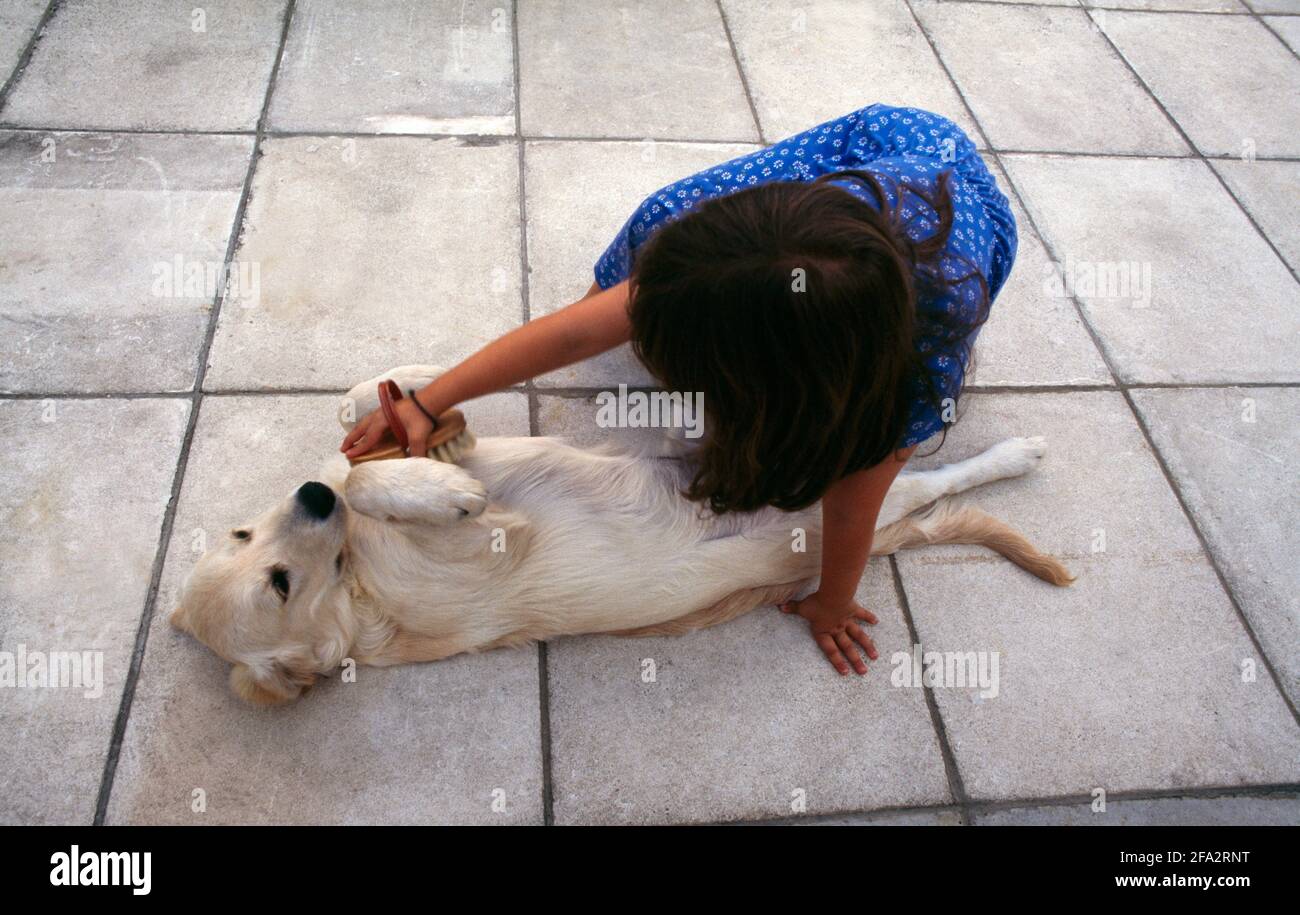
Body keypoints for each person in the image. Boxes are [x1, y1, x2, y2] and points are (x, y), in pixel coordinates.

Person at [341, 103, 1018, 676]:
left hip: (945, 224)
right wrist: (426, 403)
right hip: (889, 143)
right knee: (659, 219)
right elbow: (574, 335)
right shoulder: (726, 246)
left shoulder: (908, 388)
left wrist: (833, 601)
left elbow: (849, 513)